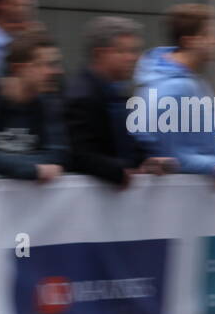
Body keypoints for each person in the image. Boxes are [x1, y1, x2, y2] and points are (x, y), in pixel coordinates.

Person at [132, 3, 215, 182]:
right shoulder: (175, 89)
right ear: (189, 41)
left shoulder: (195, 82)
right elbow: (172, 156)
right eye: (212, 35)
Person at [65, 16, 174, 186]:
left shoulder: (117, 95)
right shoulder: (82, 97)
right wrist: (120, 171)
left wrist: (146, 161)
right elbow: (81, 154)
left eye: (135, 51)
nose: (133, 58)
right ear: (99, 54)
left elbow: (126, 144)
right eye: (123, 51)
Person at [0, 30, 68, 180]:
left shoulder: (49, 103)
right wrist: (33, 170)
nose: (57, 71)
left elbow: (58, 155)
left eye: (56, 64)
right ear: (18, 69)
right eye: (48, 65)